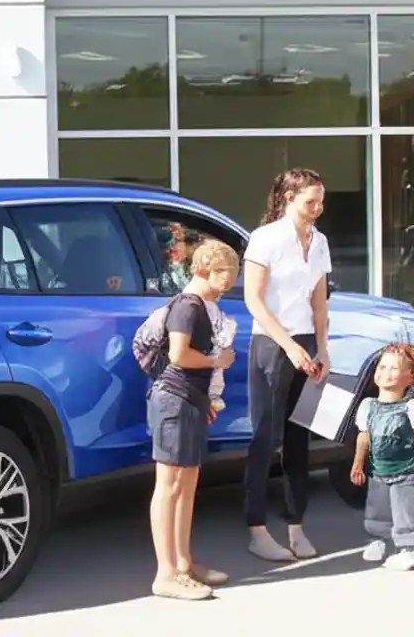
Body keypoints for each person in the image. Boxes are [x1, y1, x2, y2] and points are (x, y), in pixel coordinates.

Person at [241, 168, 331, 561]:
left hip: (306, 342)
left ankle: (296, 525)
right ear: (288, 197)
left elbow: (319, 302)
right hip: (272, 343)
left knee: (299, 439)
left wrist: (322, 349)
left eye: (320, 200)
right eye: (310, 201)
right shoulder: (265, 239)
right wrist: (289, 346)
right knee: (265, 437)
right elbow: (253, 300)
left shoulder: (320, 241)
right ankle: (257, 528)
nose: (317, 208)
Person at [148, 240, 239, 600]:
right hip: (175, 399)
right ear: (203, 269)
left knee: (186, 482)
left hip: (191, 399)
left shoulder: (203, 306)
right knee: (169, 485)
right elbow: (178, 354)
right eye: (223, 275)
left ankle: (183, 563)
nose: (228, 283)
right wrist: (218, 361)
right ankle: (166, 572)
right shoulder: (188, 306)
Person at [351, 343, 414, 571]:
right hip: (378, 470)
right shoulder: (367, 406)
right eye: (382, 367)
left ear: (410, 377)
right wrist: (358, 463)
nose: (385, 373)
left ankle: (409, 549)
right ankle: (378, 541)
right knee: (377, 508)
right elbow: (363, 437)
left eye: (394, 368)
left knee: (405, 508)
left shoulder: (410, 406)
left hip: (406, 469)